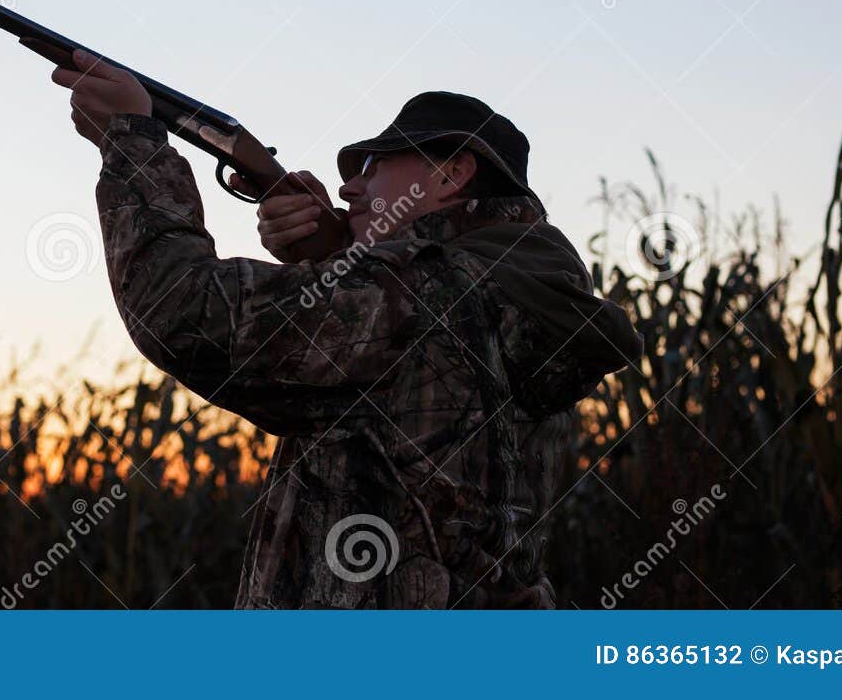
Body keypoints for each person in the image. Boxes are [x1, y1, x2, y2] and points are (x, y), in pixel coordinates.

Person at [51, 50, 640, 608]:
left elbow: (178, 310)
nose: (347, 186)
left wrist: (134, 141)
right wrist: (334, 259)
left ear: (451, 174)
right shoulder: (524, 293)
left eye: (373, 166)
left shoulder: (417, 300)